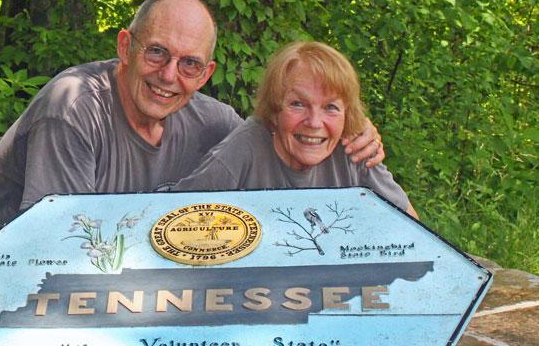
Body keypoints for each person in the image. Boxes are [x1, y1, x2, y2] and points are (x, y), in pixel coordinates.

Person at [0, 0, 387, 258]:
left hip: (106, 266)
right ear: (126, 45)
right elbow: (53, 244)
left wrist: (353, 128)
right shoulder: (73, 108)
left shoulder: (214, 122)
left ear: (206, 73)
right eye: (157, 52)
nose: (169, 75)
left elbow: (273, 134)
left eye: (189, 64)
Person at [174, 40, 418, 219]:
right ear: (273, 111)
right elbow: (172, 213)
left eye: (331, 107)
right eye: (297, 104)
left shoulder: (356, 148)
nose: (314, 122)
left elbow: (412, 228)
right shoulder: (244, 149)